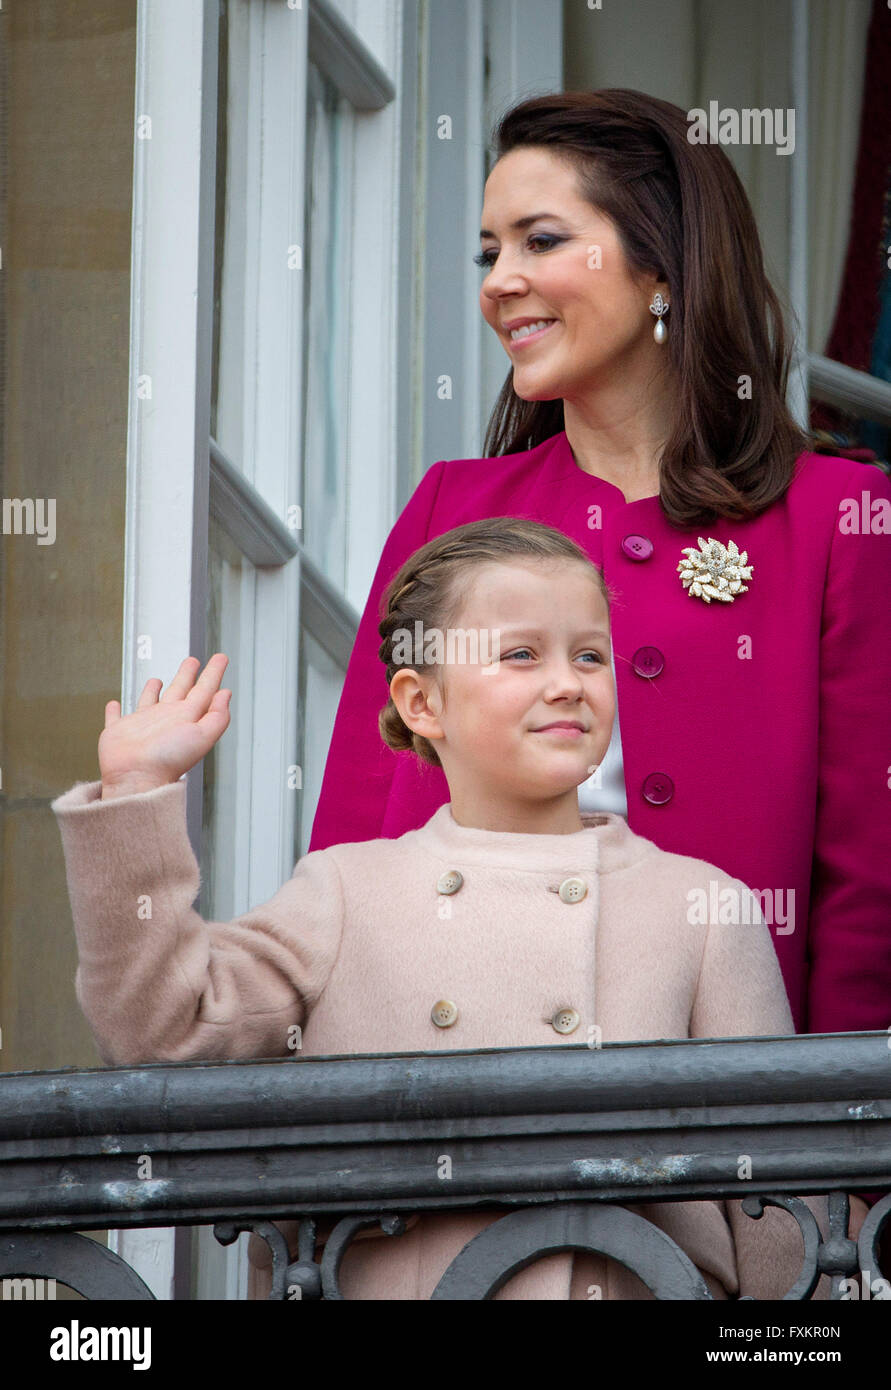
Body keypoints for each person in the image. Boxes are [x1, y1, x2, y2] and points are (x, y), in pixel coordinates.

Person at [52, 517, 863, 1300]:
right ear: (422, 703)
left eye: (590, 655)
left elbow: (775, 1204)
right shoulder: (345, 890)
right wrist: (134, 796)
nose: (567, 683)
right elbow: (161, 1031)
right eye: (520, 654)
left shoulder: (703, 905)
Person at [308, 89, 891, 1041]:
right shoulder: (451, 508)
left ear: (661, 264)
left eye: (539, 241)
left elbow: (868, 882)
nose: (499, 280)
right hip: (449, 1079)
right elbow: (357, 824)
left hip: (725, 1103)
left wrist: (836, 1157)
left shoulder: (833, 520)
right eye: (489, 252)